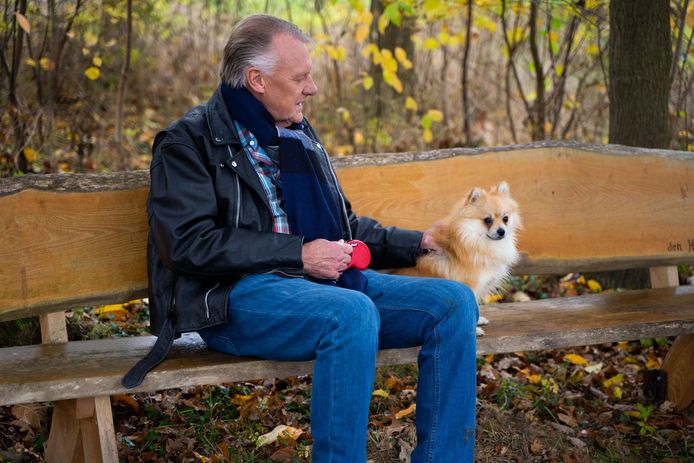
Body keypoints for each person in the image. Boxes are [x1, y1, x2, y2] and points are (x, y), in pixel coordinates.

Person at [140, 13, 478, 462]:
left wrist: (416, 242)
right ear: (256, 79)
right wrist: (298, 254)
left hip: (319, 286)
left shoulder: (296, 133)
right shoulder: (189, 142)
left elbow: (341, 228)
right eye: (300, 77)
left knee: (454, 303)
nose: (312, 88)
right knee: (350, 312)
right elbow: (187, 243)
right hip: (234, 297)